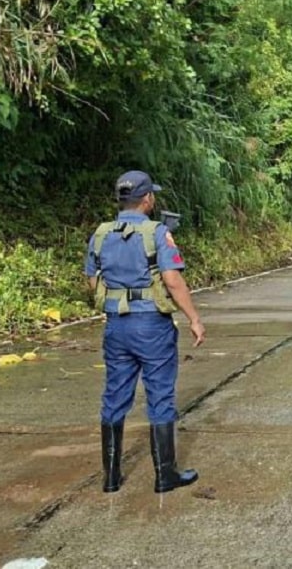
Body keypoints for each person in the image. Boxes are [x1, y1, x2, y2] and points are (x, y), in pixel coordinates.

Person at [85, 170, 206, 495]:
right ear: (147, 199)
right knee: (160, 395)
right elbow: (172, 279)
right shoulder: (157, 233)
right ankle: (164, 476)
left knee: (114, 396)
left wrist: (116, 301)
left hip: (116, 326)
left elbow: (93, 280)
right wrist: (193, 317)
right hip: (151, 324)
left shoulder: (100, 234)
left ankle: (111, 479)